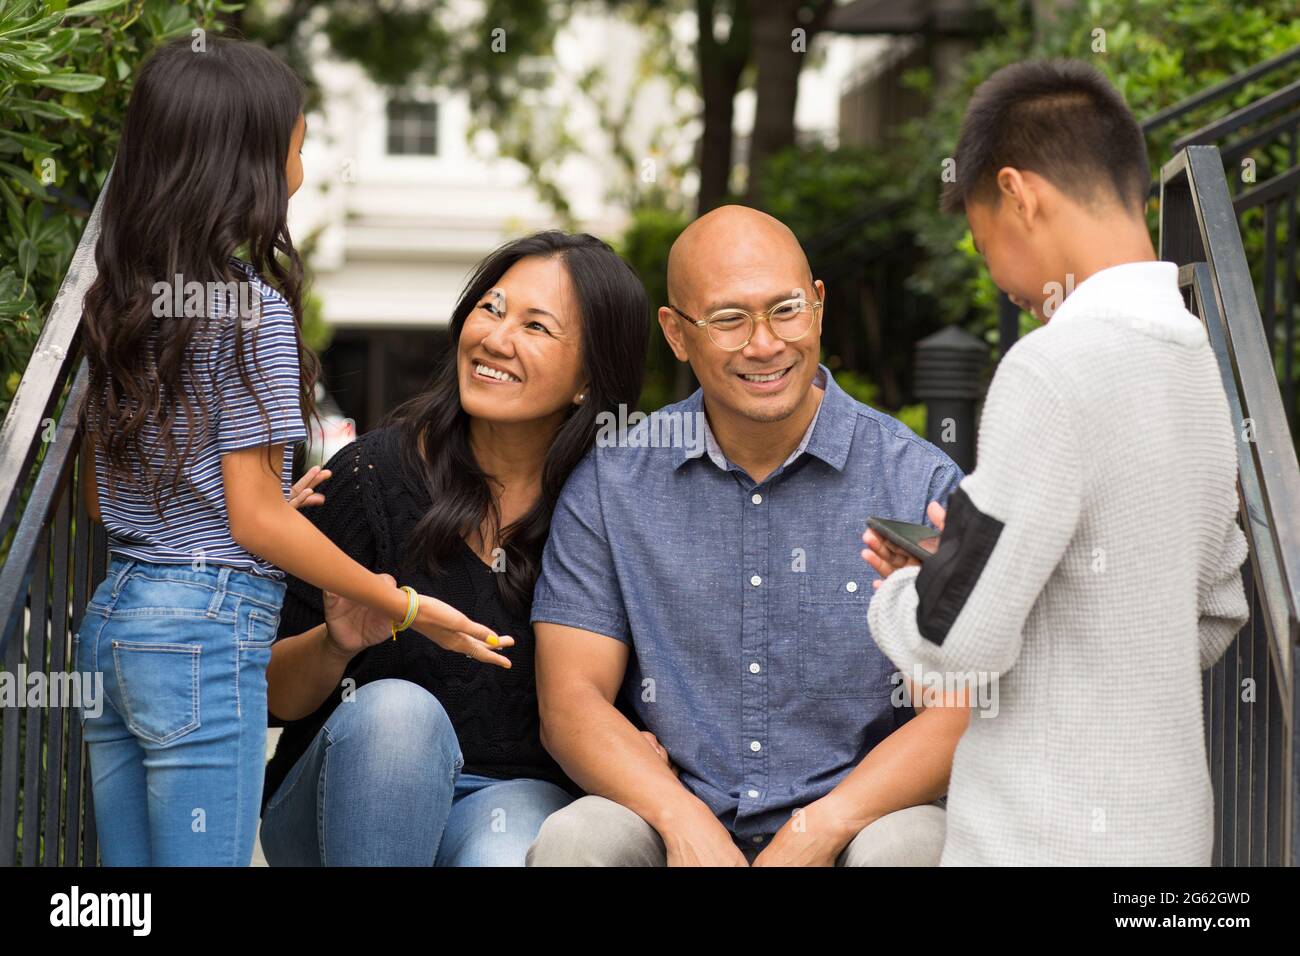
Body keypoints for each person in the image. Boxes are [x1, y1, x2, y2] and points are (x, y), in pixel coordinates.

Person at [77, 37, 499, 867]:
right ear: (254, 165)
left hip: (114, 623)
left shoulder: (124, 301)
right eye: (299, 144)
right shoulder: (255, 312)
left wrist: (255, 506)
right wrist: (407, 606)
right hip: (202, 634)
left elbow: (103, 501)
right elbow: (255, 520)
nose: (303, 163)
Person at [864, 59, 1249, 865]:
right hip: (1172, 839)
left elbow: (959, 638)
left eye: (982, 241)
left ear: (1019, 194)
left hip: (1038, 836)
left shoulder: (1048, 368)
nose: (997, 275)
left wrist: (909, 585)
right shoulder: (1200, 367)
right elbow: (1214, 611)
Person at [526, 205, 967, 867]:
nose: (764, 344)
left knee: (914, 850)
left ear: (818, 306)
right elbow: (570, 701)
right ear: (676, 334)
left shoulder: (917, 482)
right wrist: (683, 822)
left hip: (859, 822)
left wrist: (819, 829)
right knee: (577, 840)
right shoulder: (614, 482)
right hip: (670, 810)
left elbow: (959, 706)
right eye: (729, 318)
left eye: (786, 309)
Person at [258, 231, 652, 866]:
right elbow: (275, 697)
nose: (496, 339)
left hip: (506, 801)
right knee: (398, 714)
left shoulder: (612, 513)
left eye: (536, 327)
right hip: (338, 807)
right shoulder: (370, 476)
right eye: (491, 308)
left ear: (588, 380)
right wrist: (336, 644)